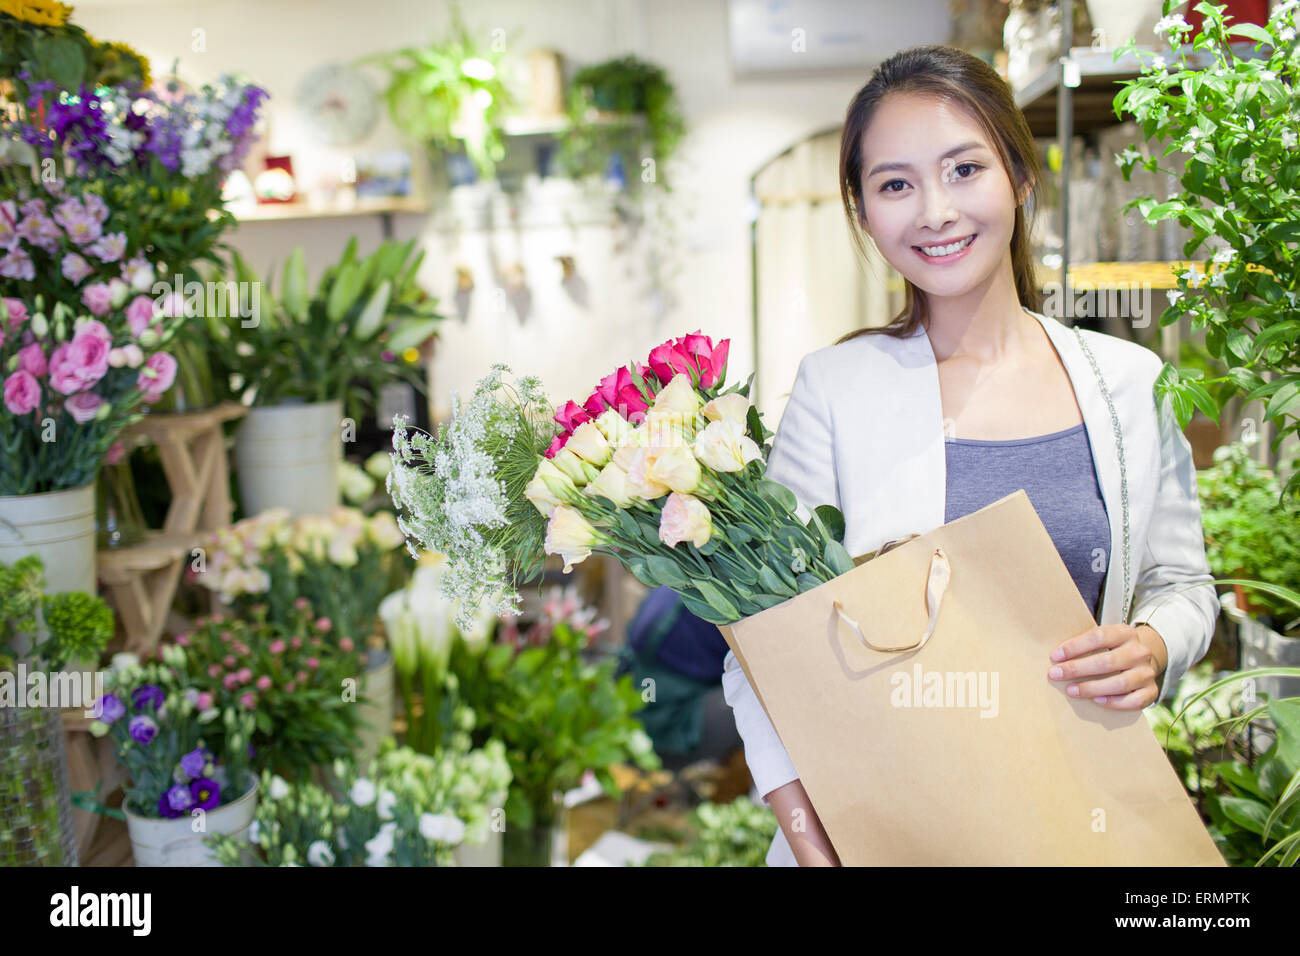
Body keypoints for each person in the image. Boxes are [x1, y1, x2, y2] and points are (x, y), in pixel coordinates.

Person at [721, 45, 1220, 867]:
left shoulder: (1130, 382)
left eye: (963, 169)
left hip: (1077, 819)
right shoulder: (835, 391)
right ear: (865, 211)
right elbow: (764, 646)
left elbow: (1183, 586)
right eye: (895, 185)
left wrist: (1156, 645)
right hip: (885, 831)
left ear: (1020, 177)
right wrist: (812, 842)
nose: (934, 212)